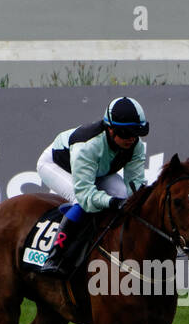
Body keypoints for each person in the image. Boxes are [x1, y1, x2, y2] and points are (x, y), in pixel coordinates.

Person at [35, 96, 148, 278]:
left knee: (123, 195)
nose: (131, 140)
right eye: (126, 133)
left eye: (136, 134)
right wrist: (112, 203)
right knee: (80, 201)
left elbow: (135, 186)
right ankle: (55, 256)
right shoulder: (88, 145)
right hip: (57, 165)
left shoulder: (135, 146)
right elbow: (86, 196)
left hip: (97, 169)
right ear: (110, 129)